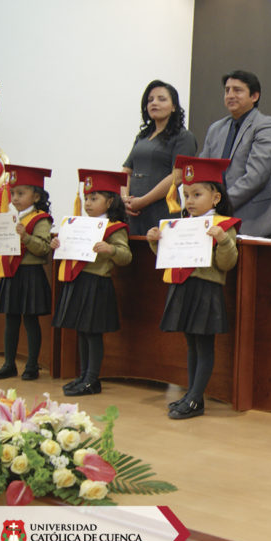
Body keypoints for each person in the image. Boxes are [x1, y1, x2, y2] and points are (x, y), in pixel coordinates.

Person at [147, 156, 240, 420]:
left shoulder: (224, 225)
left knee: (204, 345)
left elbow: (227, 263)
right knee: (191, 344)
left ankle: (197, 398)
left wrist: (223, 240)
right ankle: (190, 395)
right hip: (183, 287)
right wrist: (156, 242)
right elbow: (168, 257)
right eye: (186, 194)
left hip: (206, 289)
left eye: (197, 194)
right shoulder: (180, 224)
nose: (189, 200)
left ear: (215, 198)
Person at [52, 170, 132, 396]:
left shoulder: (115, 228)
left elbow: (125, 256)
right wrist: (59, 244)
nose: (87, 203)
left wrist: (110, 249)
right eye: (86, 198)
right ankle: (83, 375)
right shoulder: (77, 225)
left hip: (97, 284)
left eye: (94, 198)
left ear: (110, 201)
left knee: (93, 332)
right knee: (81, 331)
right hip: (78, 281)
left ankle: (92, 378)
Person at [0, 164, 52, 380]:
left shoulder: (41, 219)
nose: (15, 198)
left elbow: (43, 249)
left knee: (31, 320)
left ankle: (32, 365)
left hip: (30, 273)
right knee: (10, 319)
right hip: (12, 274)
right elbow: (2, 246)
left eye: (21, 193)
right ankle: (9, 363)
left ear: (36, 195)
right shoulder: (10, 219)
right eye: (12, 193)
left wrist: (26, 237)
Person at [199, 70, 271, 238]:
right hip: (214, 218)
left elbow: (256, 176)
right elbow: (204, 171)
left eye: (237, 90)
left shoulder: (267, 125)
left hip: (254, 221)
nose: (230, 95)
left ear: (254, 96)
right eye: (227, 90)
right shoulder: (216, 128)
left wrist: (220, 203)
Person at [122, 80, 197, 235]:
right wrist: (125, 200)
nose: (154, 103)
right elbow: (126, 171)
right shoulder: (142, 137)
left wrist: (142, 201)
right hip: (133, 213)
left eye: (161, 99)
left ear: (174, 106)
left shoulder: (183, 137)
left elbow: (177, 177)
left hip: (161, 210)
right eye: (150, 100)